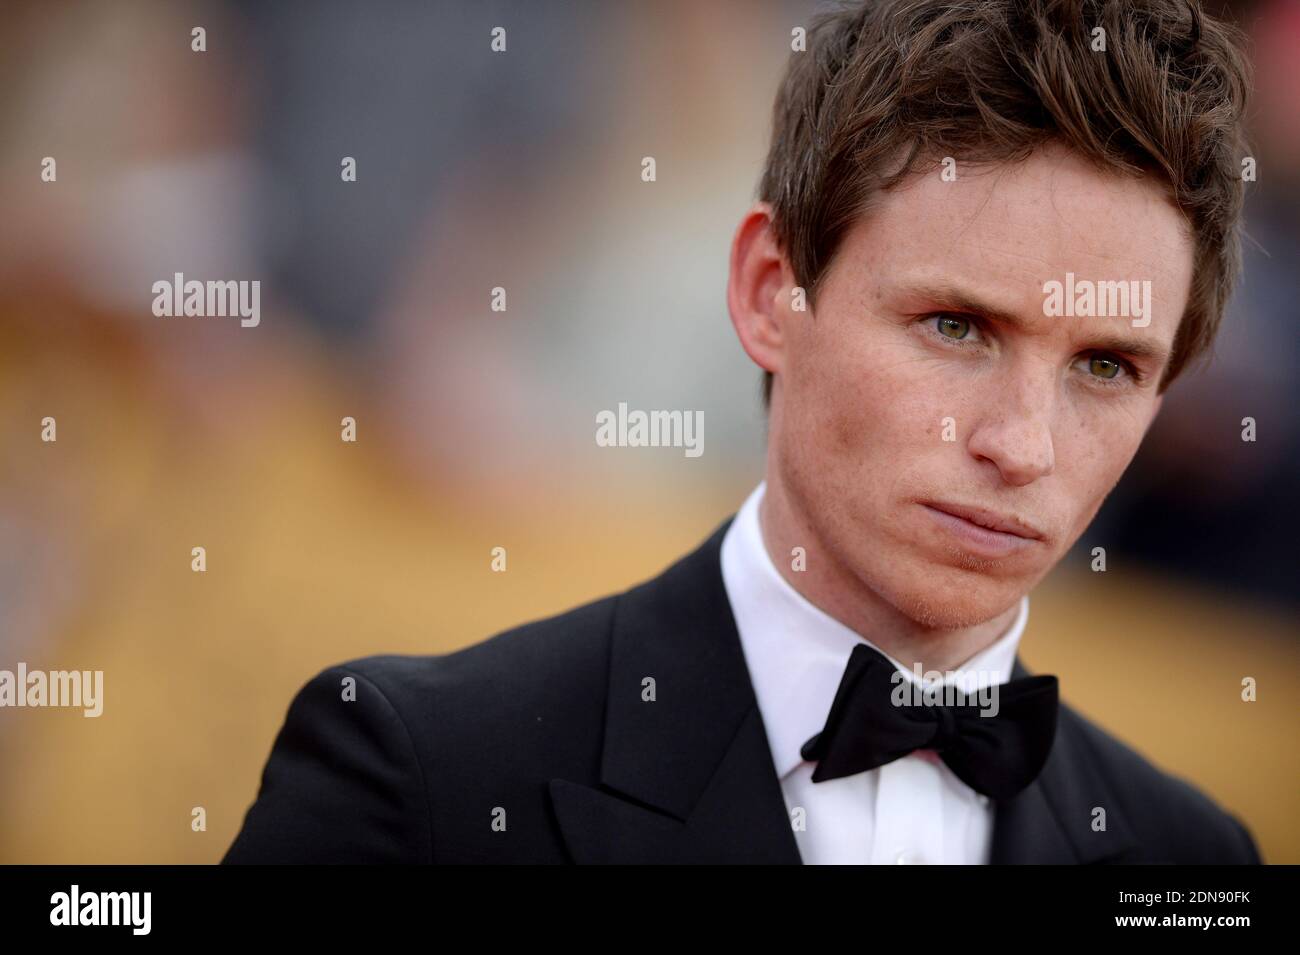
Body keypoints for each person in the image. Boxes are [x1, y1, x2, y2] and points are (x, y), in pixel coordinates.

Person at [223, 0, 1263, 864]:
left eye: (1104, 366)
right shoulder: (419, 777)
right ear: (771, 292)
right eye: (955, 326)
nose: (1022, 444)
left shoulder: (1192, 859)